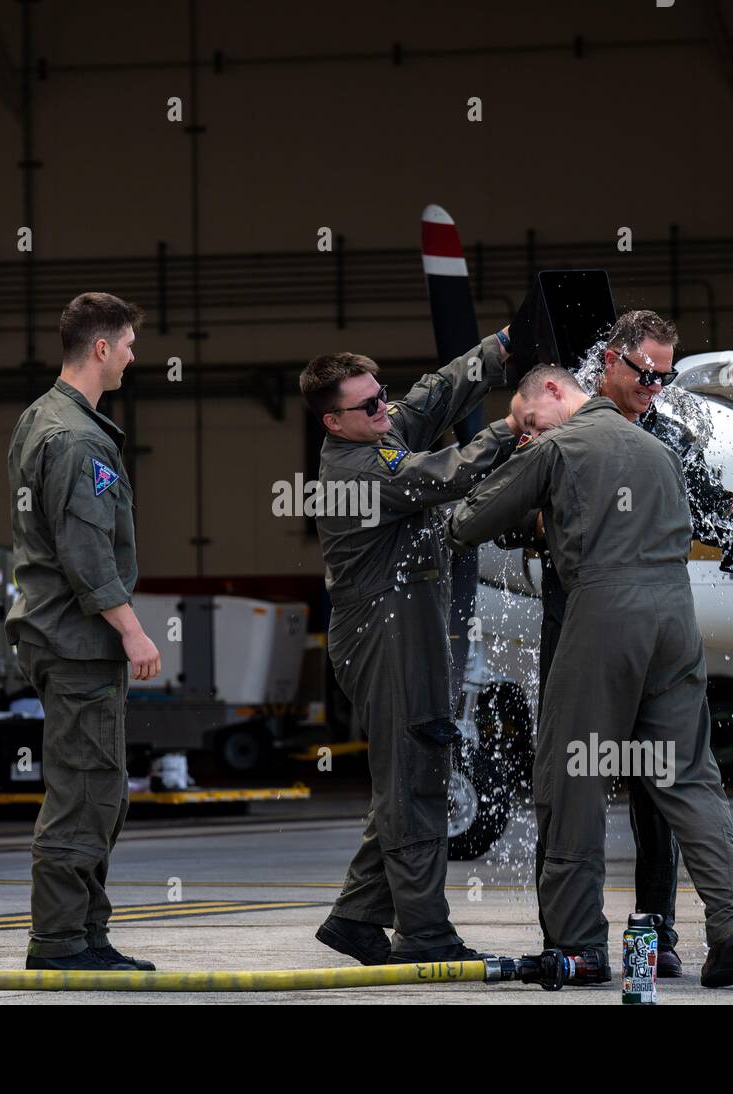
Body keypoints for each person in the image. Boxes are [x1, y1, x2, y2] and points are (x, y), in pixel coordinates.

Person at [447, 367, 733, 988]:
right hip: (676, 623)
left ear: (556, 393)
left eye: (529, 421)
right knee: (688, 776)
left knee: (571, 777)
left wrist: (509, 449)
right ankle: (732, 924)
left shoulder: (558, 448)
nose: (528, 436)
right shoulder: (660, 450)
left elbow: (467, 523)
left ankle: (580, 943)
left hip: (604, 617)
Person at [301, 327, 526, 965]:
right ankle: (425, 933)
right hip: (384, 637)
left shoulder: (373, 428)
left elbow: (431, 398)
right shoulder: (361, 469)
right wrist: (511, 427)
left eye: (382, 397)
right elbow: (447, 473)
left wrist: (501, 348)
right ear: (333, 421)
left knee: (409, 775)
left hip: (407, 628)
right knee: (415, 784)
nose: (383, 409)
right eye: (368, 405)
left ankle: (355, 918)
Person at [6, 292, 162, 971]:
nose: (132, 355)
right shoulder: (73, 437)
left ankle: (87, 933)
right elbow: (85, 552)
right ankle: (62, 941)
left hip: (66, 637)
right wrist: (133, 630)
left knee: (100, 788)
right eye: (127, 343)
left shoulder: (44, 418)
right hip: (76, 640)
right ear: (100, 347)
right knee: (85, 790)